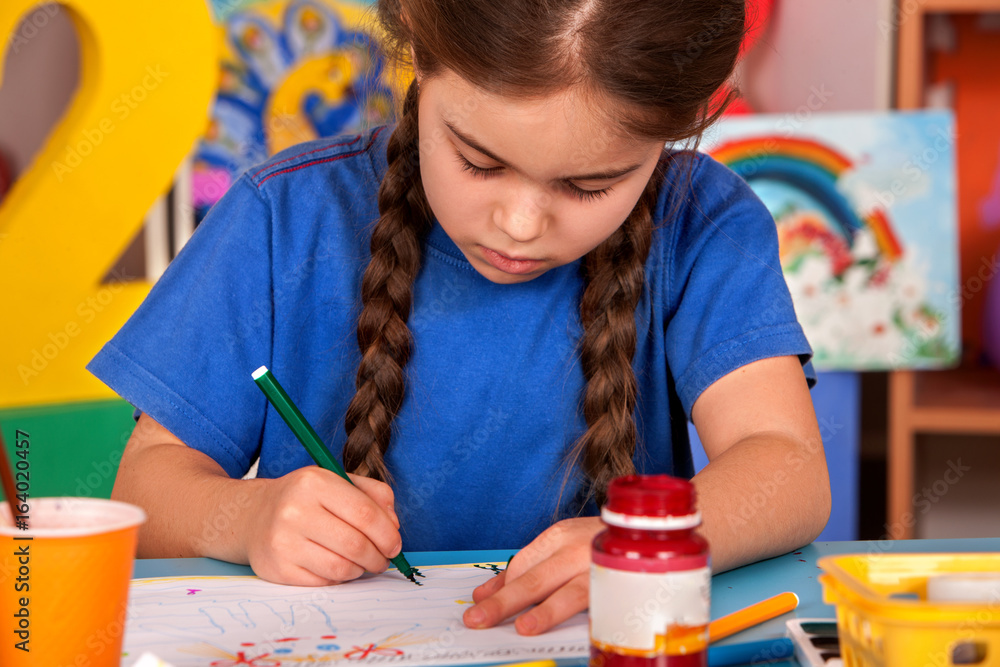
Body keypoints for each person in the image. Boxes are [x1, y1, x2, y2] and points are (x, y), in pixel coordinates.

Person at [90, 0, 830, 637]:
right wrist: (247, 517)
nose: (519, 222)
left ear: (689, 121)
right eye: (478, 161)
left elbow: (788, 466)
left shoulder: (705, 224)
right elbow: (144, 492)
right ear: (418, 47)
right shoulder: (283, 215)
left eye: (590, 184)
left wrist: (641, 540)